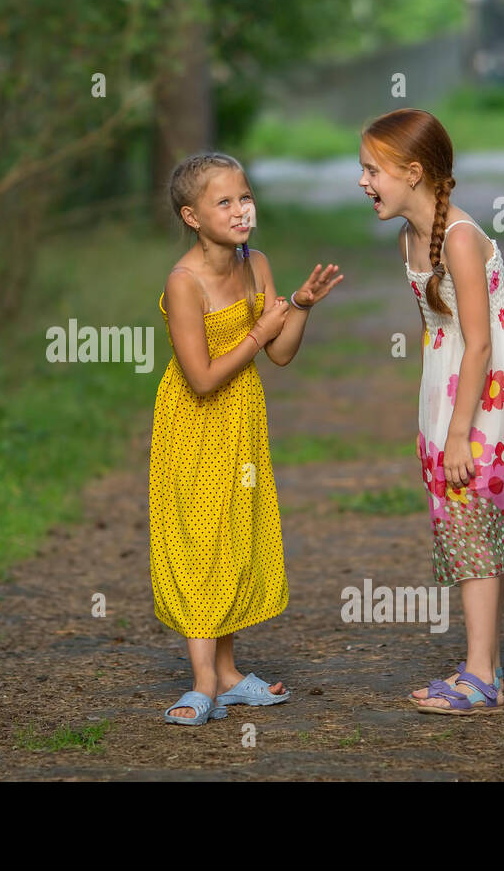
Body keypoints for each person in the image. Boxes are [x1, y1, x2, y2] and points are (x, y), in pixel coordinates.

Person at [358, 108, 504, 715]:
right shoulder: (410, 237)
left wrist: (460, 431)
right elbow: (433, 333)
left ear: (413, 173)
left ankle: (479, 675)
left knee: (470, 526)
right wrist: (434, 416)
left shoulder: (460, 239)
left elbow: (481, 341)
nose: (364, 182)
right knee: (469, 525)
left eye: (372, 170)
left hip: (487, 394)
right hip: (450, 388)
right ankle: (485, 664)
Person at [150, 152, 343, 724]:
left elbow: (281, 354)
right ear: (191, 216)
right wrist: (260, 330)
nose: (242, 210)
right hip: (193, 424)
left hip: (243, 423)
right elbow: (203, 377)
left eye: (245, 196)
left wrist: (299, 307)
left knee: (233, 536)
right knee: (198, 540)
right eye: (225, 201)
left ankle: (230, 674)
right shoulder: (183, 282)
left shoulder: (256, 263)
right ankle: (203, 684)